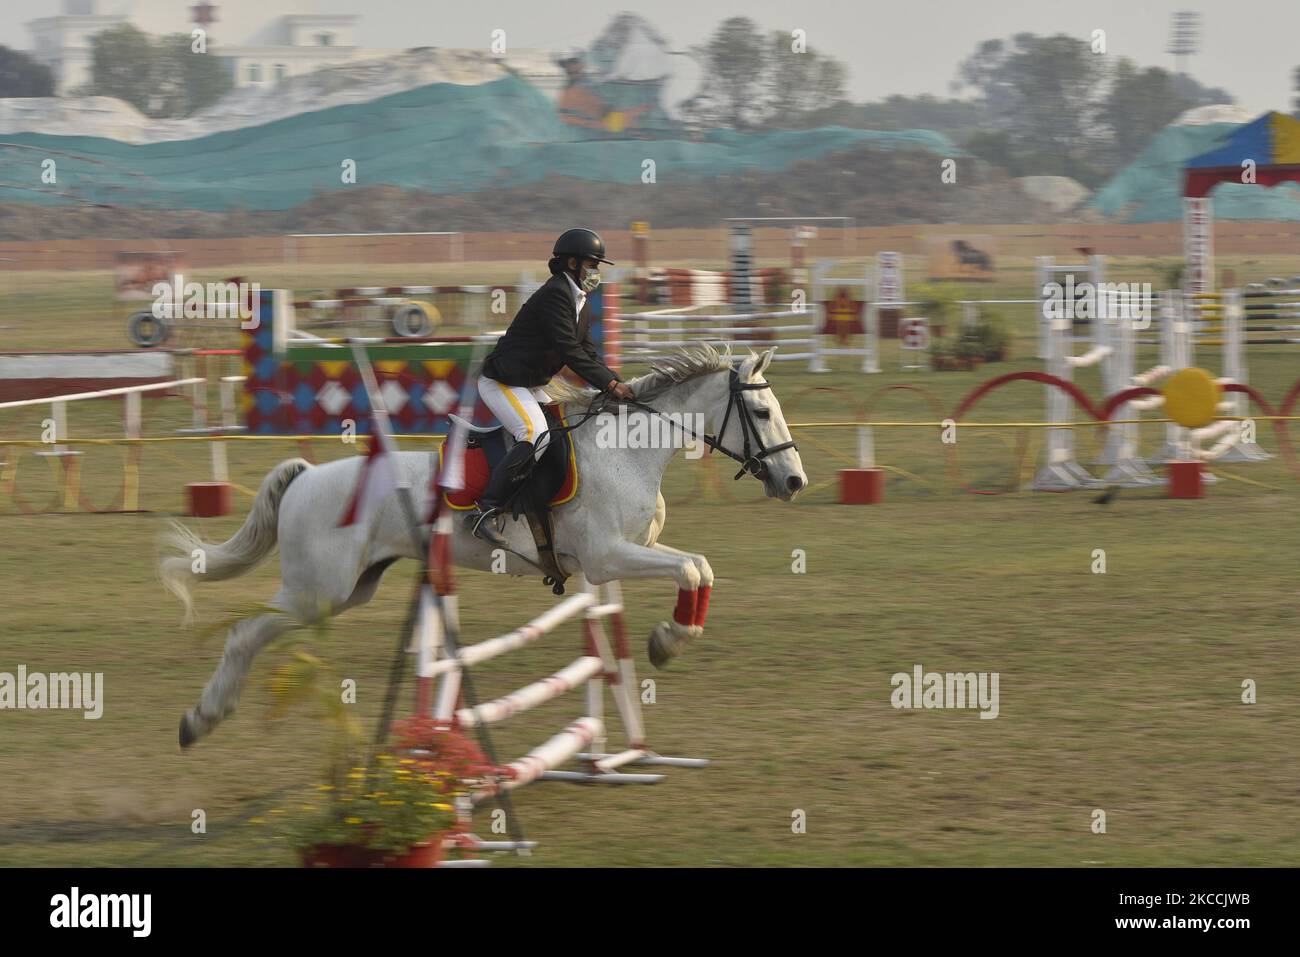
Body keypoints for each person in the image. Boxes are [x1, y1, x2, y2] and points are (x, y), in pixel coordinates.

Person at [470, 227, 634, 547]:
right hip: (502, 382)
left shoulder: (581, 303)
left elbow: (587, 352)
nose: (596, 272)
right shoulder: (555, 294)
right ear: (572, 263)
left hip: (530, 385)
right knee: (535, 434)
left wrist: (617, 381)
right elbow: (570, 352)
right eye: (592, 265)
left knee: (562, 436)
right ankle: (485, 510)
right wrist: (611, 384)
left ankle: (539, 505)